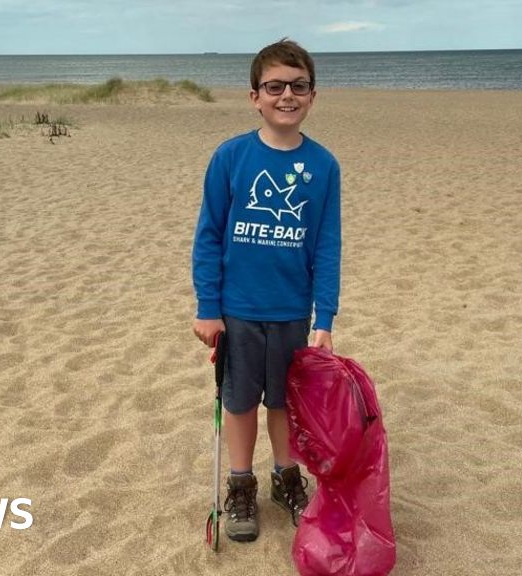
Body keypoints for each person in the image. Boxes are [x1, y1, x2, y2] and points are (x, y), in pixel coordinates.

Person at [191, 38, 342, 543]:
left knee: (283, 402)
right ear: (254, 95)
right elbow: (209, 234)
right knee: (239, 402)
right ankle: (240, 483)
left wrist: (325, 319)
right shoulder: (231, 156)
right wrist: (208, 308)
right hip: (236, 311)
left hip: (292, 311)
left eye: (298, 87)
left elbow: (327, 244)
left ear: (313, 95)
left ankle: (285, 476)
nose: (287, 96)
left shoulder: (323, 165)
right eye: (274, 86)